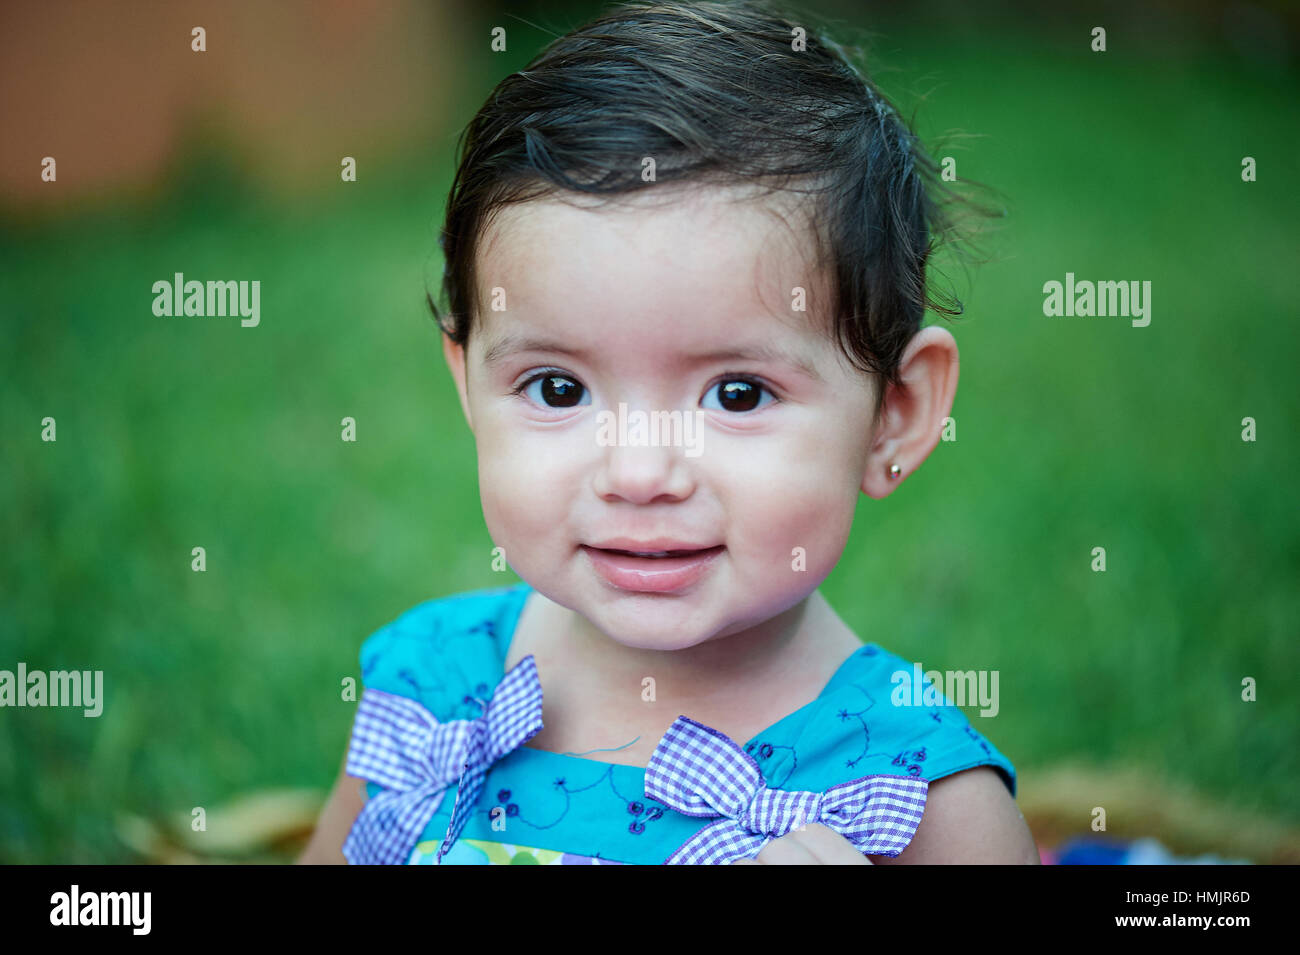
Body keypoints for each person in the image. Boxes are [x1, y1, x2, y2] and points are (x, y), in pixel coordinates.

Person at [299, 0, 1038, 865]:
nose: (640, 471)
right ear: (467, 382)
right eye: (558, 386)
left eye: (736, 394)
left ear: (896, 414)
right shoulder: (435, 690)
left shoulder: (919, 801)